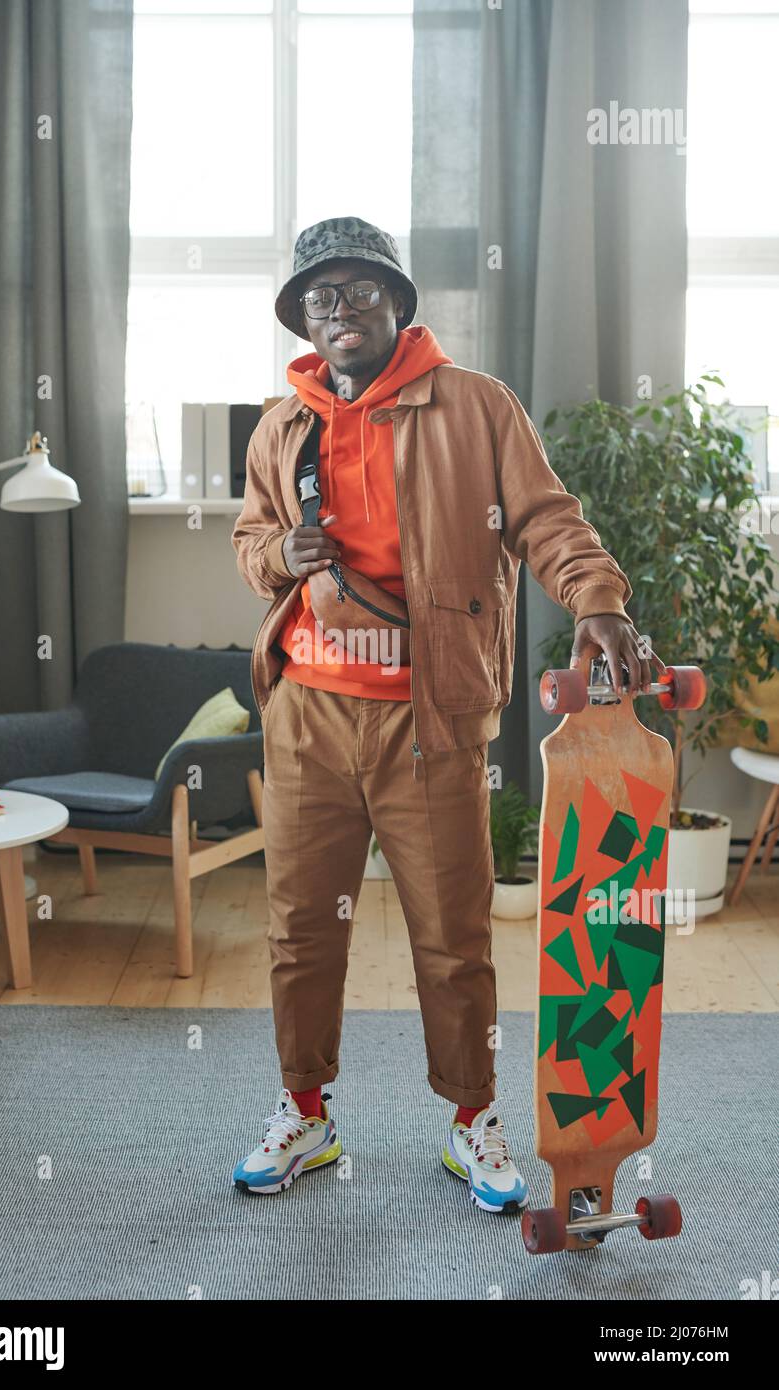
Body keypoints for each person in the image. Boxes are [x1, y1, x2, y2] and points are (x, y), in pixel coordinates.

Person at [230, 215, 654, 1211]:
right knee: (298, 928)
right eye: (319, 297)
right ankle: (307, 1113)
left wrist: (597, 599)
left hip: (430, 718)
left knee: (451, 935)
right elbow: (251, 537)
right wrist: (273, 558)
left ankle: (470, 1122)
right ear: (303, 315)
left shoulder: (474, 407)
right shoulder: (280, 424)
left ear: (395, 300)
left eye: (357, 290)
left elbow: (547, 518)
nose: (338, 310)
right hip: (304, 712)